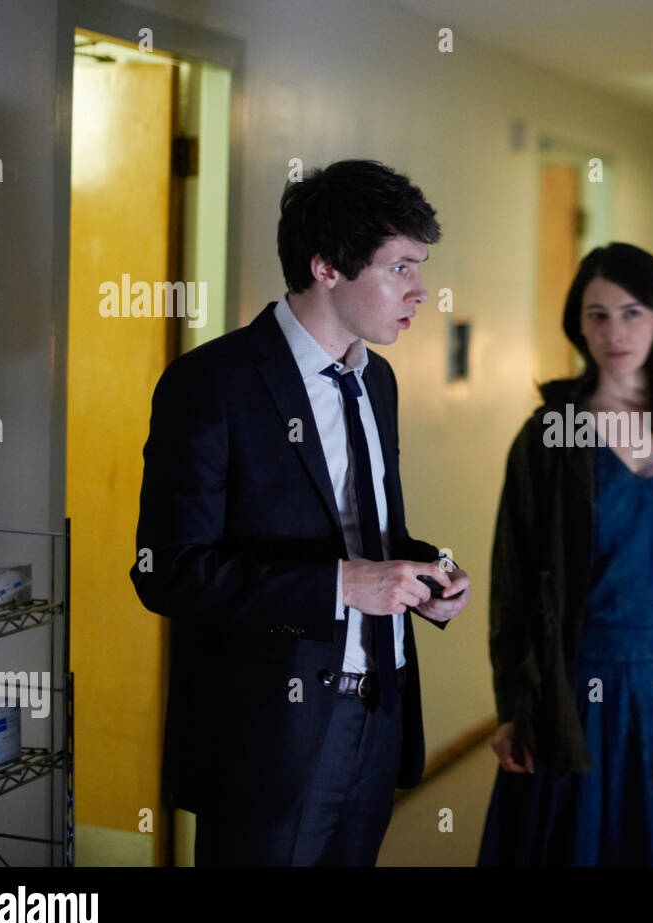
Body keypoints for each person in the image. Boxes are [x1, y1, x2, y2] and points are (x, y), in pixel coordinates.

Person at [130, 159, 471, 866]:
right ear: (326, 267)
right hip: (269, 741)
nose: (422, 290)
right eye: (401, 268)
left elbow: (363, 531)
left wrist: (425, 571)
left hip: (379, 716)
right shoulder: (211, 384)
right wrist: (341, 587)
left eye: (421, 267)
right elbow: (168, 572)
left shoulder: (377, 380)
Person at [478, 242, 653, 866]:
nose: (614, 332)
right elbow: (512, 587)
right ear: (577, 324)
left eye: (631, 313)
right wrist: (514, 704)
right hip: (569, 690)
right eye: (596, 315)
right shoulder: (549, 437)